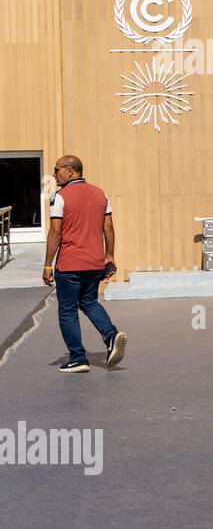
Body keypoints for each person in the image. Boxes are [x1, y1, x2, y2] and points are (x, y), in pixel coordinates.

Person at [42, 156, 127, 373]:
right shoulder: (101, 194)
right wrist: (109, 256)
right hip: (95, 262)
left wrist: (47, 265)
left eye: (56, 169)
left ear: (70, 171)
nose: (54, 174)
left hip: (70, 263)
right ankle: (111, 335)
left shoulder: (60, 197)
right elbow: (108, 227)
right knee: (89, 302)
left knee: (68, 310)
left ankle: (78, 358)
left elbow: (56, 231)